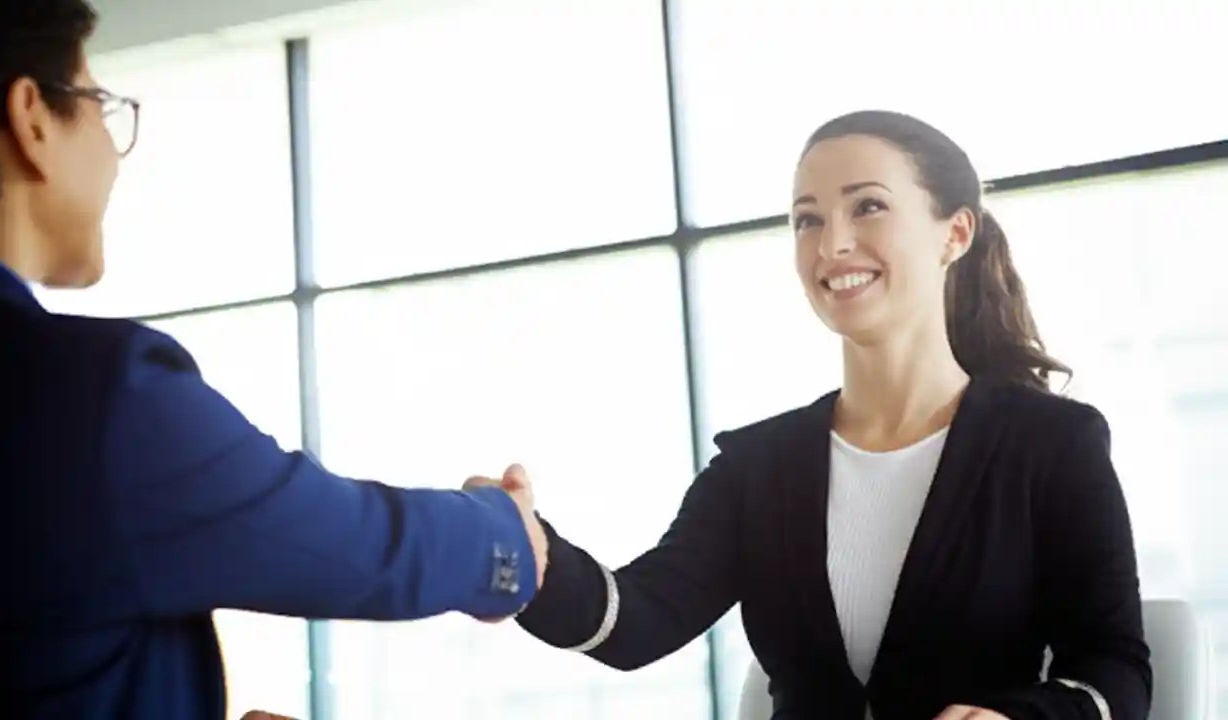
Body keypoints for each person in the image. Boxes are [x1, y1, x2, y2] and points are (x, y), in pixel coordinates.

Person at [0, 2, 546, 718]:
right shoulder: (87, 399)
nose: (112, 149)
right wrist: (502, 536)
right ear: (32, 120)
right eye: (98, 105)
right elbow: (357, 544)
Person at [472, 111, 1152, 719]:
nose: (831, 246)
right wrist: (533, 555)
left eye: (868, 207)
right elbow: (637, 622)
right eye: (808, 219)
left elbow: (1112, 673)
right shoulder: (756, 469)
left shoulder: (1051, 445)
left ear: (955, 233)